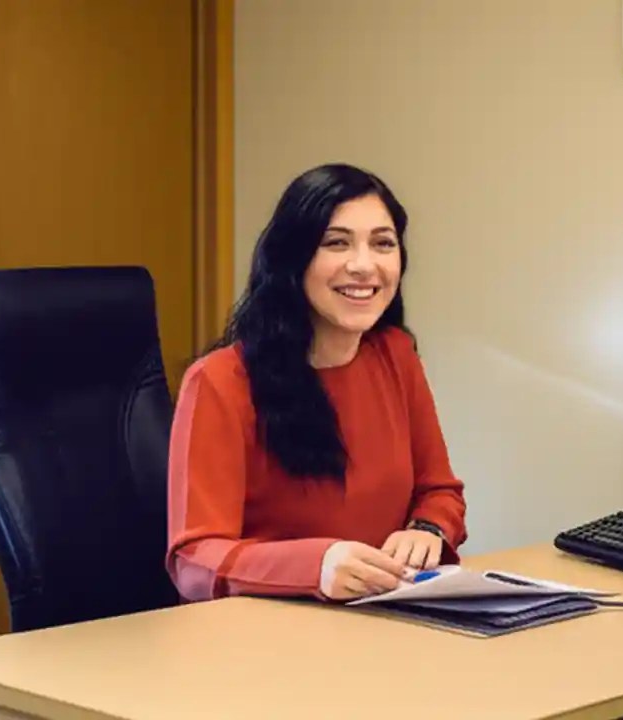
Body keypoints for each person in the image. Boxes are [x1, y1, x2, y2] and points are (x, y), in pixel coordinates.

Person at [166, 163, 467, 603]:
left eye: (383, 244)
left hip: (384, 620)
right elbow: (194, 559)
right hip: (264, 638)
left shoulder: (396, 355)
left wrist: (428, 528)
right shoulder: (219, 382)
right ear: (293, 259)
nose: (364, 266)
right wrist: (317, 566)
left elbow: (439, 491)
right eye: (336, 243)